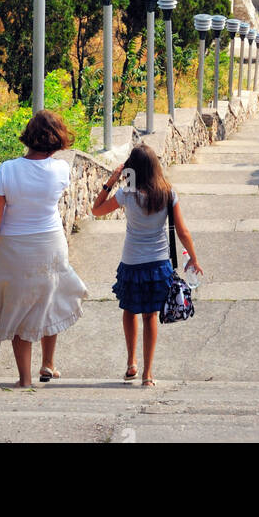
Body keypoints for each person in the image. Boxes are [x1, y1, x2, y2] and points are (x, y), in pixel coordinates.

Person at [0, 109, 88, 387]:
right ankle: (49, 364)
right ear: (57, 139)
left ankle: (24, 379)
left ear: (28, 136)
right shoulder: (61, 170)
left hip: (13, 247)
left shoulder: (7, 170)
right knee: (49, 301)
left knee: (19, 308)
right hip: (50, 243)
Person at [92, 142, 203, 386]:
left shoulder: (126, 194)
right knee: (150, 316)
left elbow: (96, 210)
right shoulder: (168, 193)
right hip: (158, 262)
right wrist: (193, 257)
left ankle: (132, 362)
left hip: (131, 262)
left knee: (130, 310)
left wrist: (110, 181)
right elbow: (183, 231)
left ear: (132, 168)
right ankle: (147, 374)